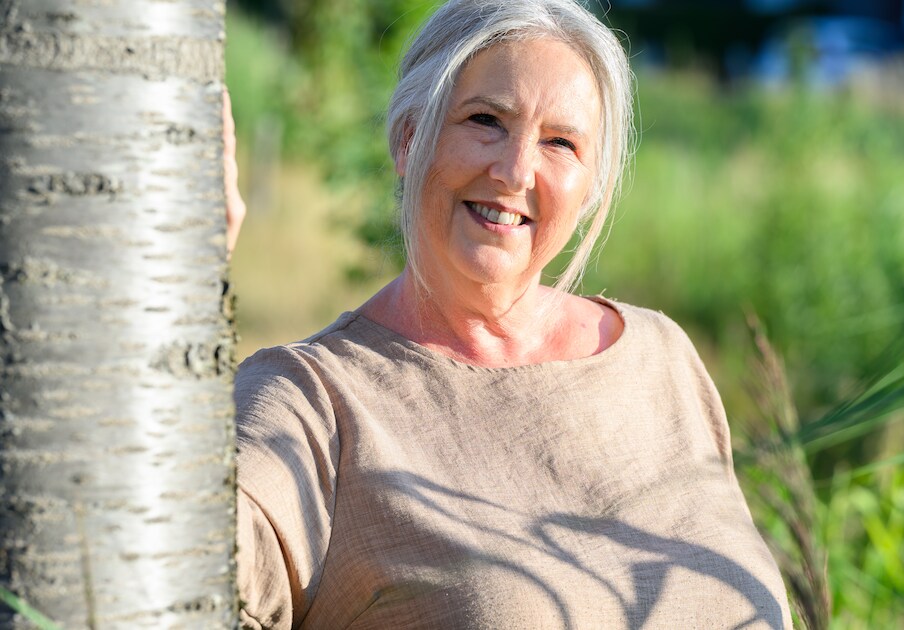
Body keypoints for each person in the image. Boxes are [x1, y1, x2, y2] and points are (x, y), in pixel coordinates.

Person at [230, 0, 792, 627]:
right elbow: (162, 581)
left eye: (560, 141)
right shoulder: (311, 404)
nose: (515, 169)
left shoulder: (662, 360)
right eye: (485, 120)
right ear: (410, 138)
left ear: (592, 187)